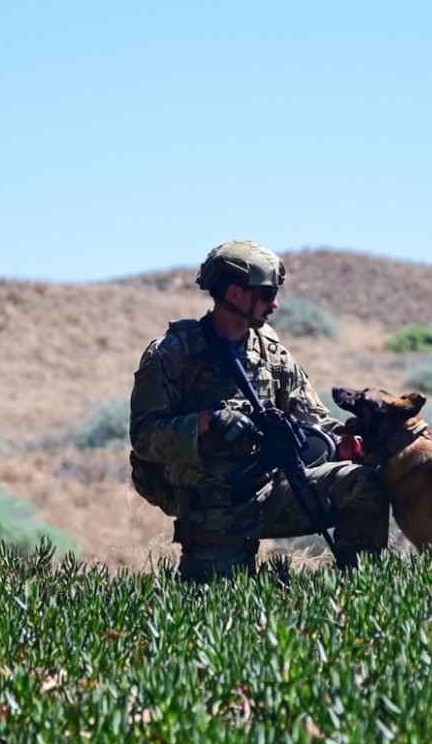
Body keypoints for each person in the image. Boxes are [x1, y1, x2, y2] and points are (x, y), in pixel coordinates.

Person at [130, 240, 390, 581]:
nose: (276, 303)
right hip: (213, 507)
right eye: (267, 294)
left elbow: (314, 418)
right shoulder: (172, 353)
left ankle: (358, 593)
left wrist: (345, 443)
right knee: (215, 609)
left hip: (276, 490)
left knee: (364, 484)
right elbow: (145, 438)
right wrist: (208, 422)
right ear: (236, 294)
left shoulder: (270, 351)